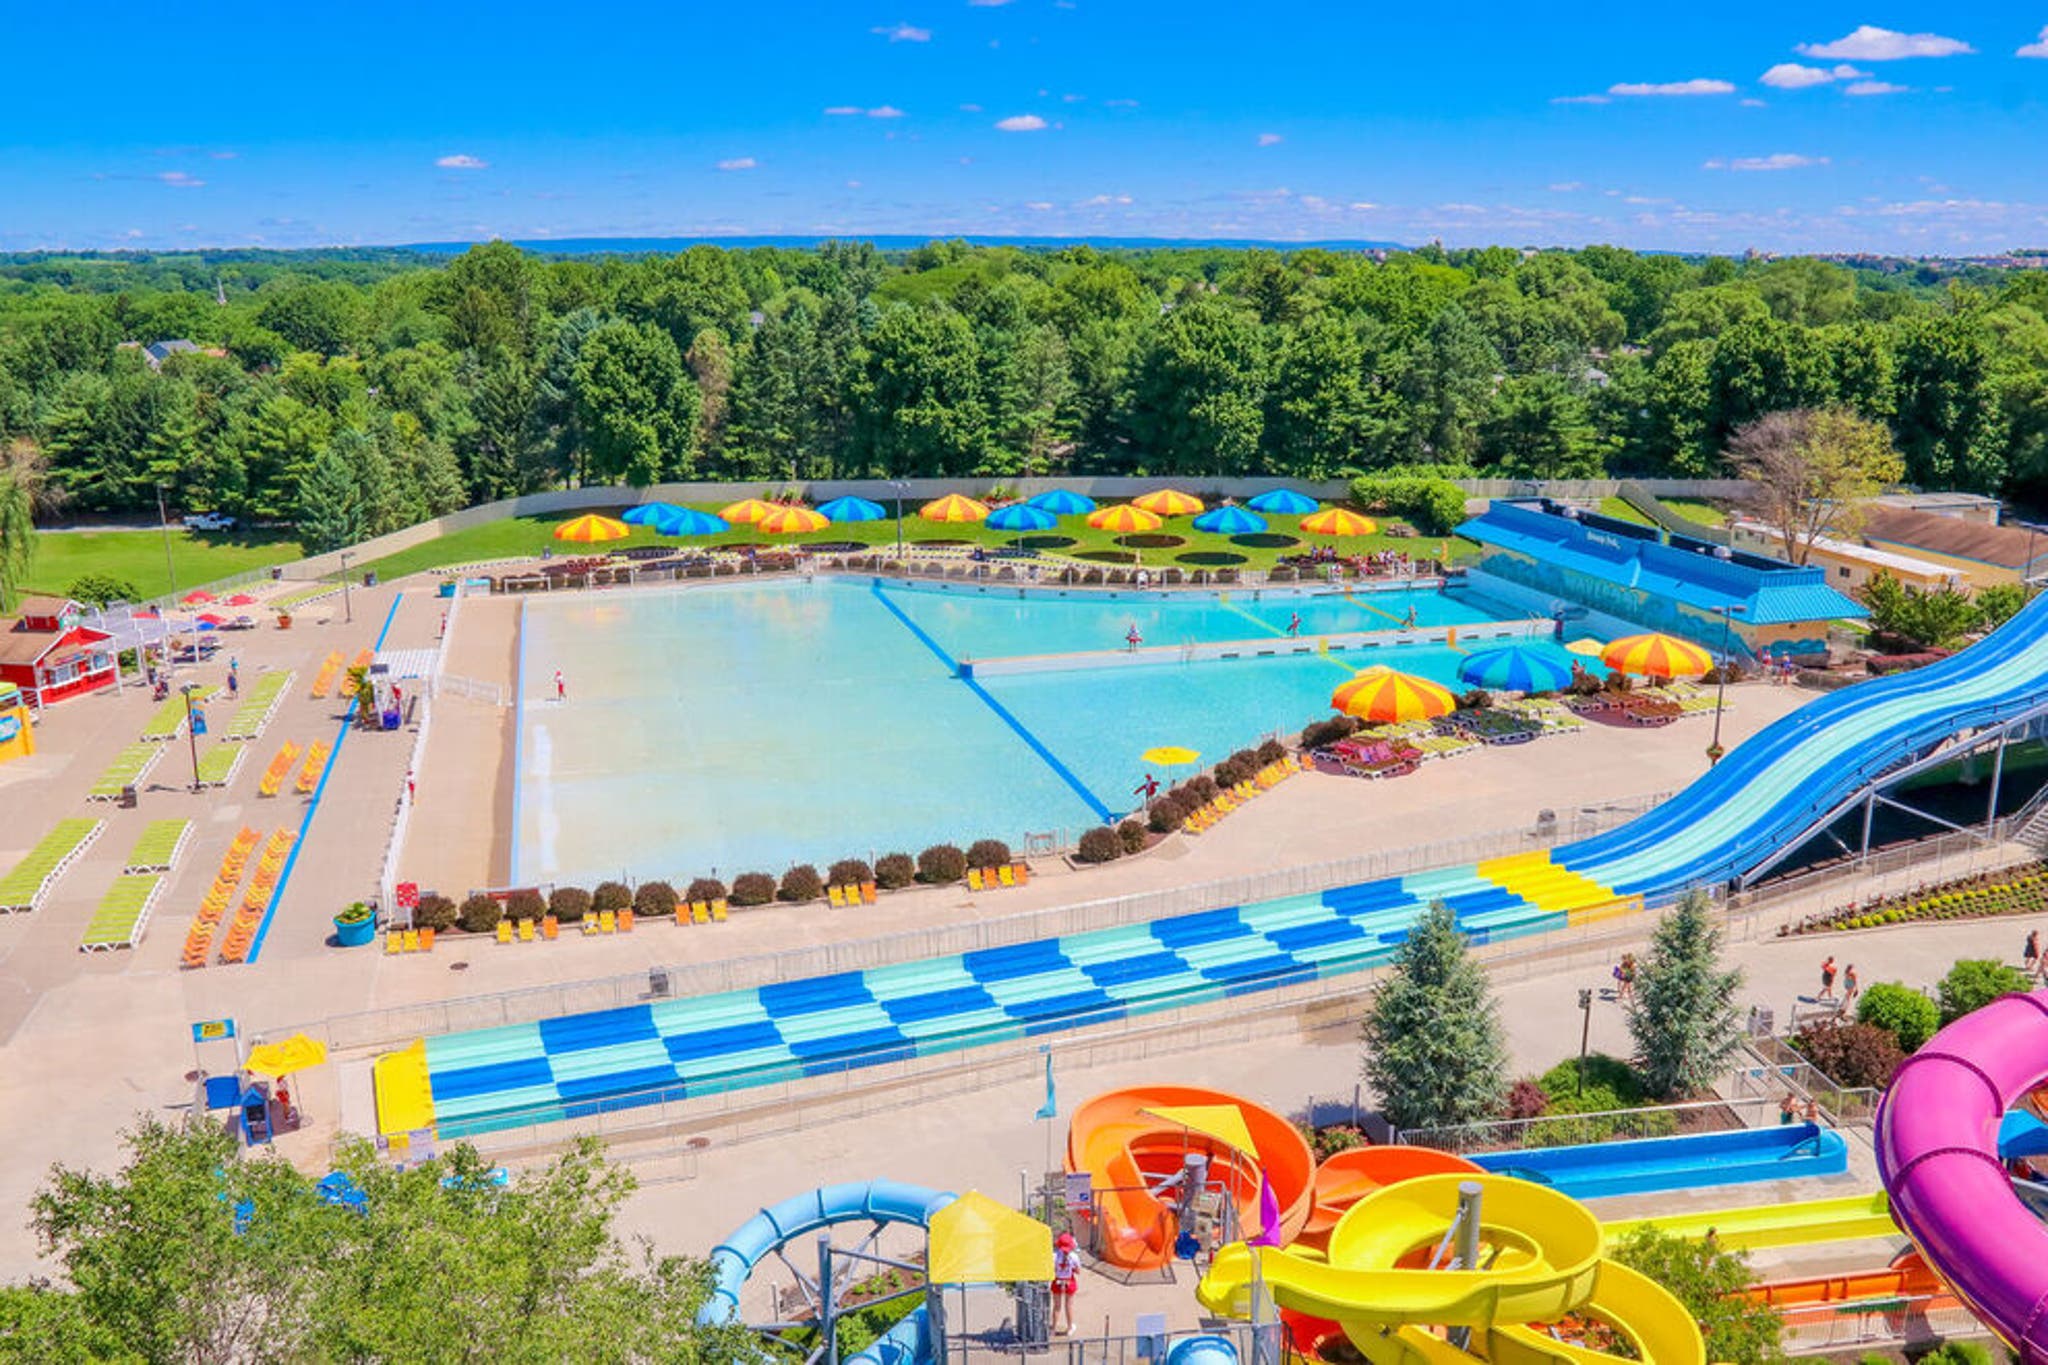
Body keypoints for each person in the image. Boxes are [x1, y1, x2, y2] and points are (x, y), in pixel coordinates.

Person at [1051, 1231, 1081, 1335]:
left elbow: (1052, 1269)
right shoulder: (1074, 1257)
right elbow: (1078, 1271)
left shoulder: (1054, 1256)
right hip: (1069, 1281)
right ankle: (1069, 1328)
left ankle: (1053, 1329)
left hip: (1057, 1281)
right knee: (1069, 1306)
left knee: (1056, 1306)